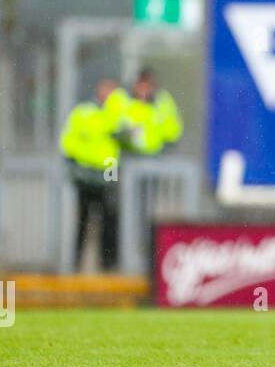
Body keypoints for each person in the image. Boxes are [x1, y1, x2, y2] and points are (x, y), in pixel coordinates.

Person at [60, 77, 129, 271]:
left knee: (110, 216)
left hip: (109, 169)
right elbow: (69, 140)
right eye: (106, 89)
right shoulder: (83, 112)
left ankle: (108, 265)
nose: (108, 94)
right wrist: (74, 164)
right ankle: (76, 263)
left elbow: (129, 135)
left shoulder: (119, 113)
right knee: (83, 218)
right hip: (87, 171)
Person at [124, 68, 183, 156]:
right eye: (141, 86)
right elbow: (115, 125)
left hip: (158, 156)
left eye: (147, 86)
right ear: (135, 86)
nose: (144, 90)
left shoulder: (162, 102)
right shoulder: (124, 101)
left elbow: (174, 131)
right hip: (129, 155)